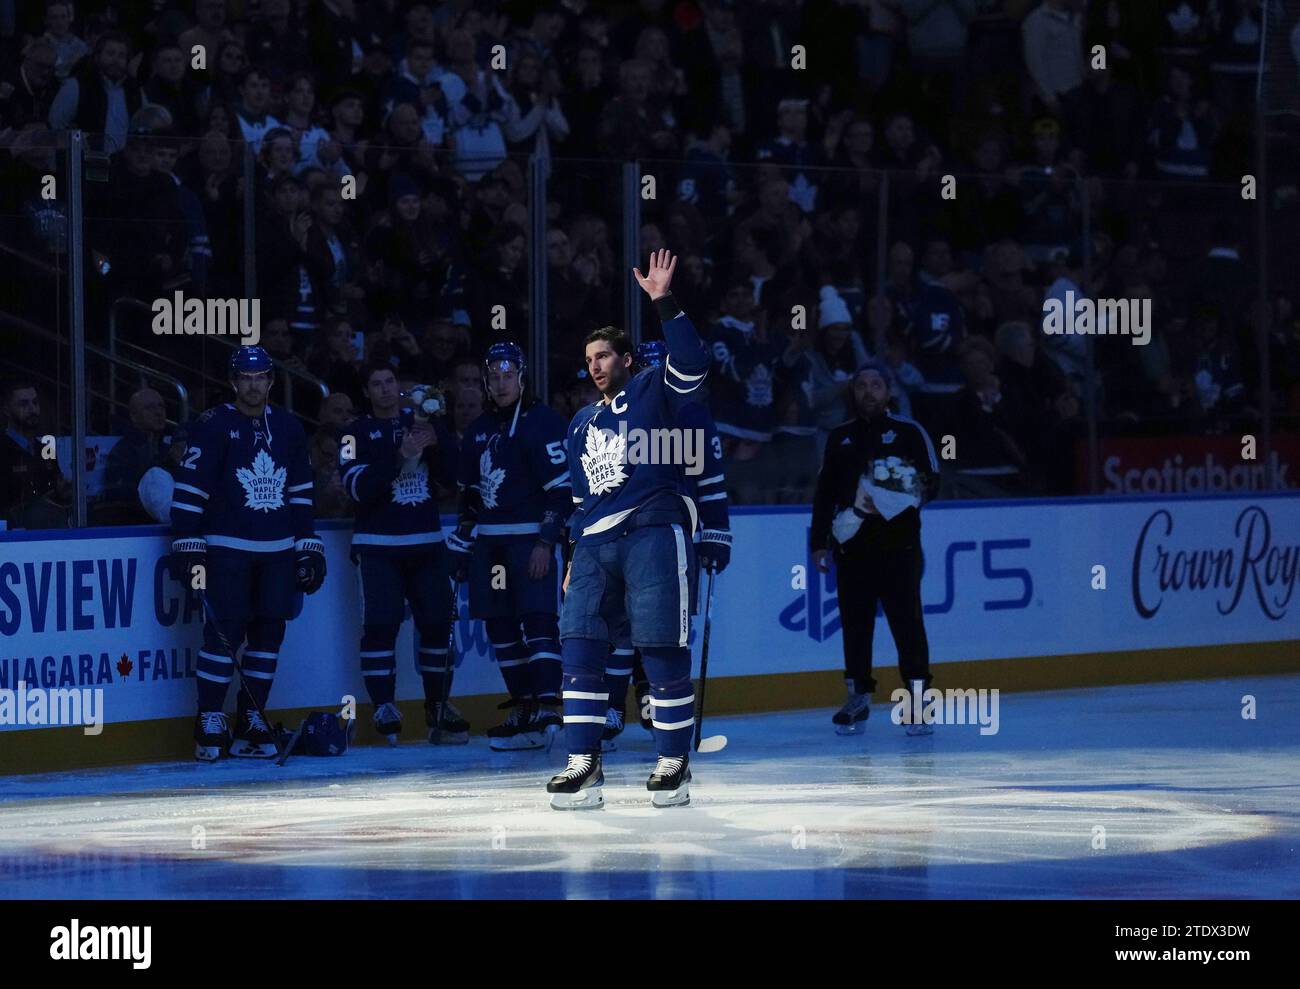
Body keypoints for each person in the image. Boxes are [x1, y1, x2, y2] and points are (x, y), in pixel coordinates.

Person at [549, 248, 710, 810]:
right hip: (593, 544)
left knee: (661, 644)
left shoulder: (653, 390)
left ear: (626, 358)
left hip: (651, 531)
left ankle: (672, 762)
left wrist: (663, 301)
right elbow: (578, 499)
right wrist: (573, 556)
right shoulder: (579, 421)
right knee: (580, 648)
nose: (594, 365)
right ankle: (583, 764)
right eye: (588, 359)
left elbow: (693, 361)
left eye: (603, 356)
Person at [170, 346, 327, 761]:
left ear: (271, 381)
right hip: (228, 550)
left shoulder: (290, 428)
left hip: (277, 552)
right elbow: (190, 489)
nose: (254, 385)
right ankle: (210, 717)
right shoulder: (213, 424)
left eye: (261, 378)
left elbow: (300, 494)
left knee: (269, 635)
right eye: (246, 377)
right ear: (233, 381)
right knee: (224, 635)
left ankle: (252, 715)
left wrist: (308, 546)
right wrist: (189, 544)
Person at [599, 339, 732, 749]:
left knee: (666, 625)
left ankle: (658, 702)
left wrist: (715, 533)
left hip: (672, 537)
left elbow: (709, 482)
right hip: (624, 535)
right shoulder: (617, 416)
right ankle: (614, 707)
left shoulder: (691, 417)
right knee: (619, 624)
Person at [447, 343, 571, 751]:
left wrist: (545, 542)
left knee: (537, 622)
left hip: (528, 543)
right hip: (490, 548)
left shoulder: (544, 422)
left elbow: (561, 493)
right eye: (494, 377)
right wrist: (464, 546)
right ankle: (523, 707)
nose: (501, 384)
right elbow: (468, 497)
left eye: (507, 376)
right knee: (501, 626)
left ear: (522, 377)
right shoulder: (480, 429)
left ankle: (550, 706)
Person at [809, 361, 940, 736]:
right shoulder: (839, 436)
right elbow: (824, 494)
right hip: (853, 549)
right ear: (853, 392)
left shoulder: (910, 431)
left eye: (876, 384)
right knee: (855, 624)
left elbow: (933, 481)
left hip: (900, 548)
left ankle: (917, 699)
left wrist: (894, 498)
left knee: (908, 624)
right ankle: (858, 697)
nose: (868, 391)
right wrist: (820, 543)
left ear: (888, 391)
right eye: (861, 384)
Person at [340, 362, 466, 745]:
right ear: (366, 391)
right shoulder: (353, 432)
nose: (384, 389)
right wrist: (398, 456)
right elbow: (356, 488)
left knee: (437, 624)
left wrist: (438, 440)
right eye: (376, 383)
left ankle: (438, 704)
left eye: (390, 381)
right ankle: (383, 705)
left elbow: (453, 478)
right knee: (381, 626)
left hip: (427, 542)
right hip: (378, 547)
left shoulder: (421, 422)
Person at [0, 379, 69, 529]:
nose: (32, 409)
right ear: (6, 409)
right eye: (23, 404)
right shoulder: (3, 449)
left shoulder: (46, 449)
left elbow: (55, 496)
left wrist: (61, 492)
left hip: (47, 533)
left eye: (35, 402)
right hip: (11, 537)